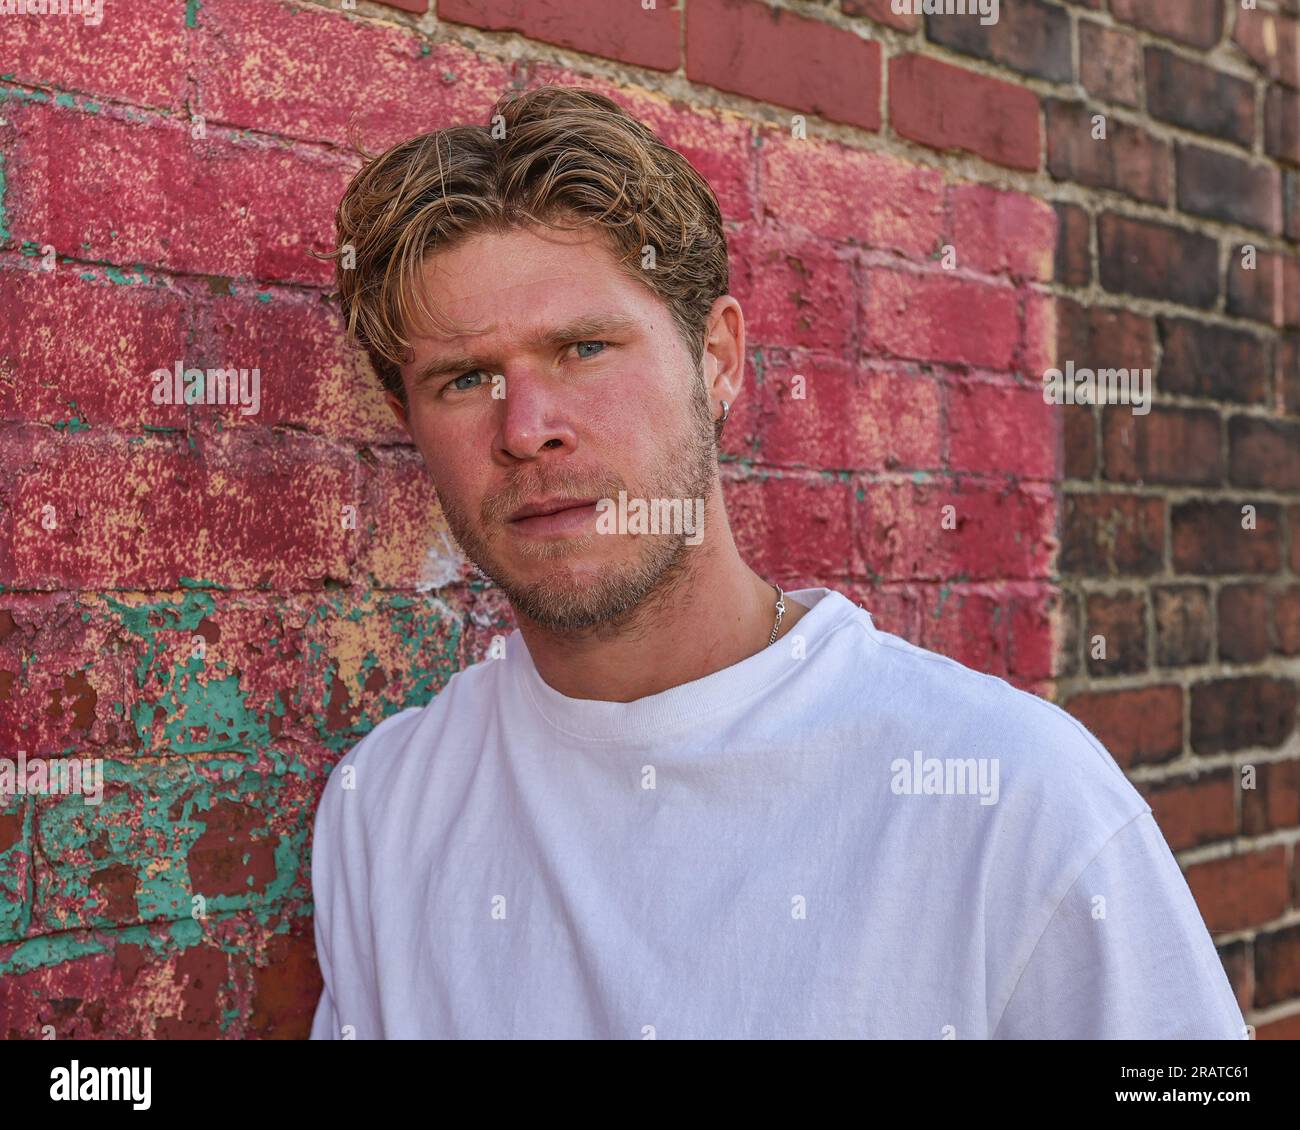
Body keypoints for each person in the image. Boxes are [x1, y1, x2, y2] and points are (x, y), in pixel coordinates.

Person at [308, 85, 1245, 1039]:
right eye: (465, 379)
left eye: (585, 348)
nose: (527, 429)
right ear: (408, 422)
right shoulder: (385, 811)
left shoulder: (1009, 794)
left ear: (717, 360)